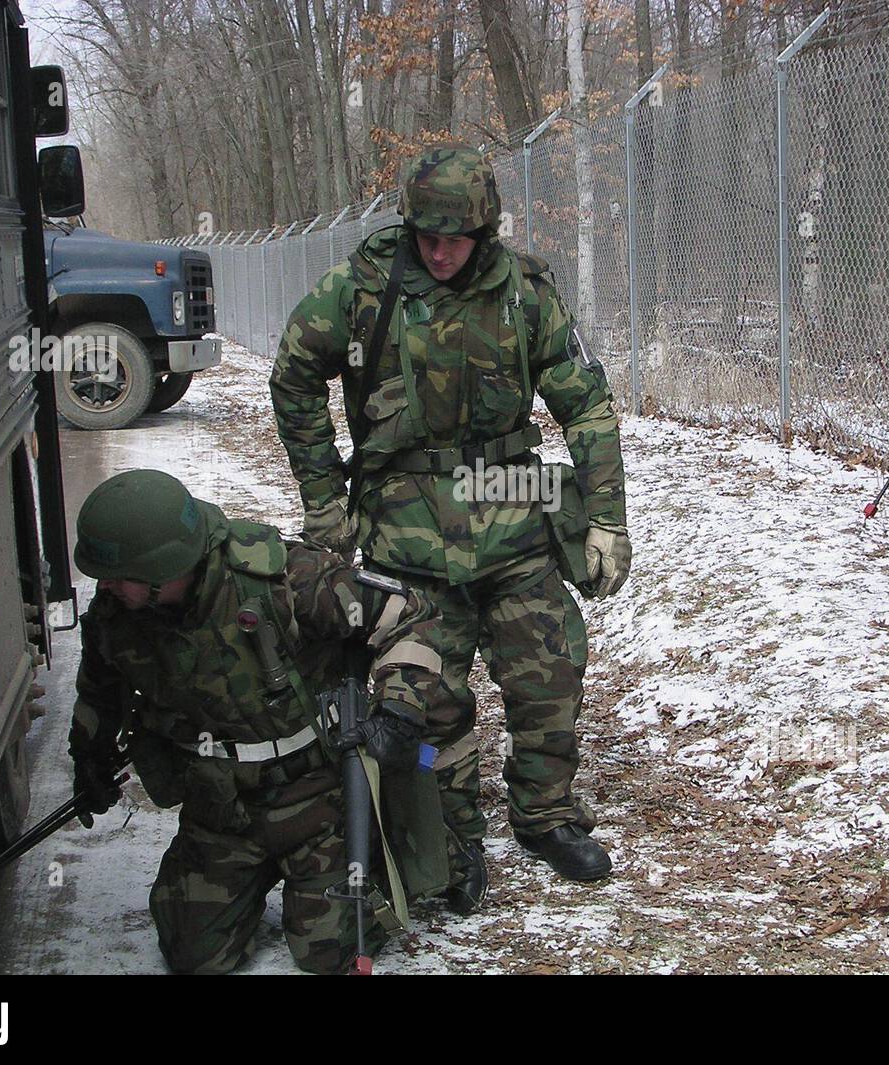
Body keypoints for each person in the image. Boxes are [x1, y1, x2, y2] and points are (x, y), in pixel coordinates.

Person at [269, 142, 630, 894]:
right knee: (425, 699)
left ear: (485, 231)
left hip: (511, 521)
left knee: (551, 668)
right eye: (426, 236)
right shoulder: (364, 285)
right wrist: (323, 499)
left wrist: (606, 520)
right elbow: (294, 373)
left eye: (454, 238)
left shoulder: (526, 291)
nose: (438, 252)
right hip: (407, 535)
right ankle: (451, 833)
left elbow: (587, 404)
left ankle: (545, 813)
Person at [68, 469, 449, 974]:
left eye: (119, 576)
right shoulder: (119, 612)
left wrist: (400, 708)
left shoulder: (285, 580)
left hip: (316, 799)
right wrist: (89, 756)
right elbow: (99, 685)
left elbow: (409, 613)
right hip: (220, 808)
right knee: (194, 958)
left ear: (167, 568)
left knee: (327, 953)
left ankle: (377, 858)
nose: (106, 586)